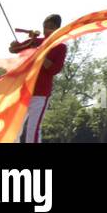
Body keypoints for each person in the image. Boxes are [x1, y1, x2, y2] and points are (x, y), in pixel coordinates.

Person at [9, 13, 67, 143]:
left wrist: (40, 54)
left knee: (33, 130)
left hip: (41, 93)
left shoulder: (61, 47)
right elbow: (14, 49)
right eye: (45, 27)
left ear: (58, 29)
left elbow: (54, 69)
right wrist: (14, 46)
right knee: (14, 129)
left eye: (51, 27)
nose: (47, 30)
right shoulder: (35, 41)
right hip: (24, 90)